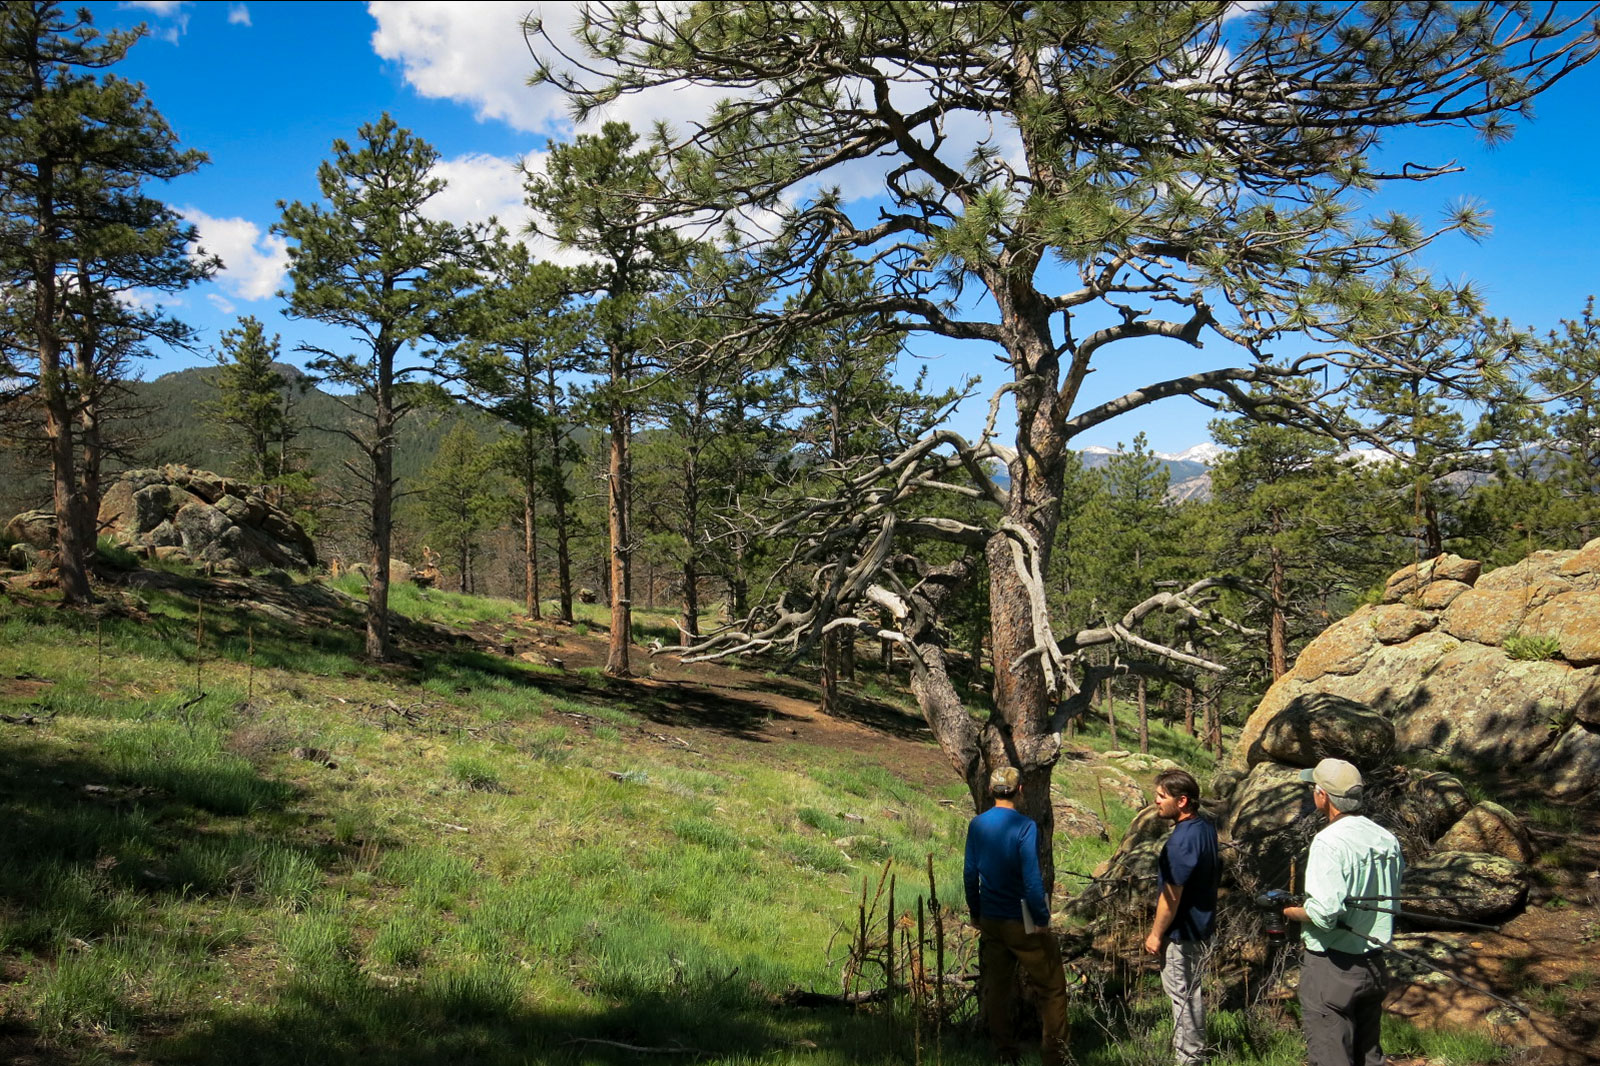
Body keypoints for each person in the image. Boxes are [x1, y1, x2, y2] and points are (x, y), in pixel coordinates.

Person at [1280, 758, 1404, 1066]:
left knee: (1330, 1056)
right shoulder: (1386, 838)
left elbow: (1324, 914)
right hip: (1374, 964)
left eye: (1314, 788)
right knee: (1369, 1056)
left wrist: (1290, 911)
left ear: (1322, 796)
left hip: (1332, 967)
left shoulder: (1328, 842)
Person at [964, 766, 1071, 1066]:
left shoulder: (977, 825)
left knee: (997, 989)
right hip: (1021, 919)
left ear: (990, 791)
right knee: (1052, 988)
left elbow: (970, 874)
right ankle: (1056, 1057)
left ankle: (1005, 1053)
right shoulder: (1026, 826)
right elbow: (1032, 880)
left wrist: (975, 912)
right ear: (1020, 790)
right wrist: (1041, 918)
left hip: (991, 918)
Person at [1142, 769, 1220, 1066]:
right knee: (1192, 993)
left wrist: (1155, 935)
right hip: (1201, 927)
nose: (1156, 801)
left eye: (1162, 796)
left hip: (1181, 934)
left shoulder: (1181, 842)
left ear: (1182, 800)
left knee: (1183, 997)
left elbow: (1171, 897)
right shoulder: (1205, 828)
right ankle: (1194, 1054)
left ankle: (1190, 1059)